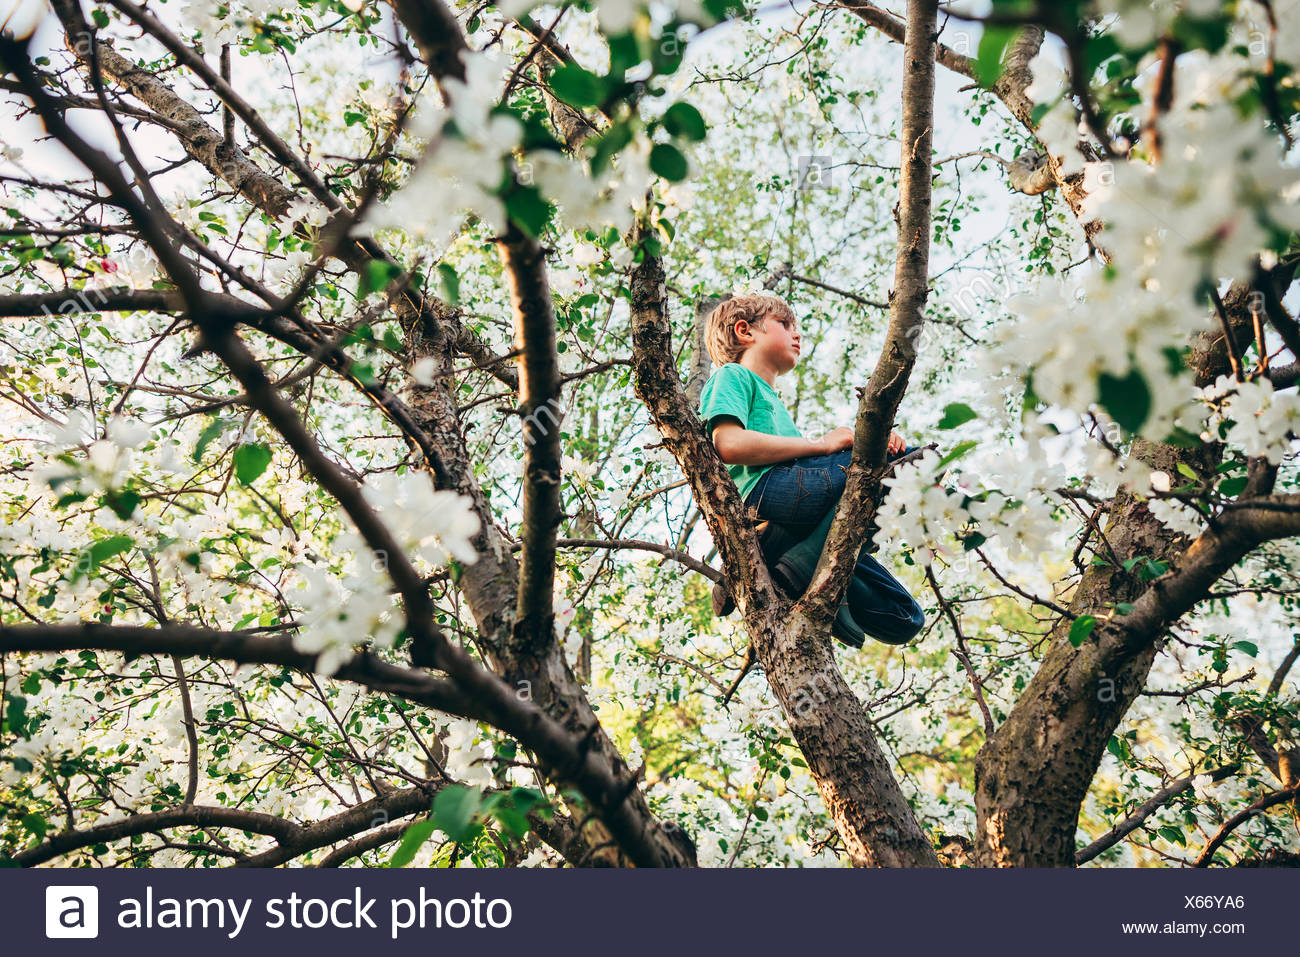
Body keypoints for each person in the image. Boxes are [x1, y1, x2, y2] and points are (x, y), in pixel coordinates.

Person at [696, 294, 926, 648]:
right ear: (745, 331)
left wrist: (875, 443)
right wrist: (829, 444)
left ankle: (782, 549)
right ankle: (800, 561)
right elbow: (729, 444)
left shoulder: (773, 401)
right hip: (767, 489)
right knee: (911, 464)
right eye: (785, 325)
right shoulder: (733, 376)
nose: (796, 335)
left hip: (791, 501)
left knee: (905, 618)